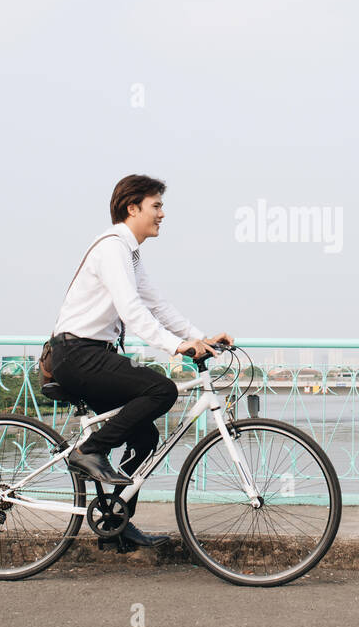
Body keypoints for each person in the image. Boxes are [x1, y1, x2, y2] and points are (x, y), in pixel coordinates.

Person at [47, 174, 234, 552]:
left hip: (93, 355)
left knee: (145, 437)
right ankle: (88, 451)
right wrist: (176, 346)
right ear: (132, 208)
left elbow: (157, 304)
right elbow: (132, 311)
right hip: (76, 354)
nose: (163, 214)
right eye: (157, 206)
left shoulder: (130, 253)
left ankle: (116, 523)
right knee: (160, 389)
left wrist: (200, 337)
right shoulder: (112, 248)